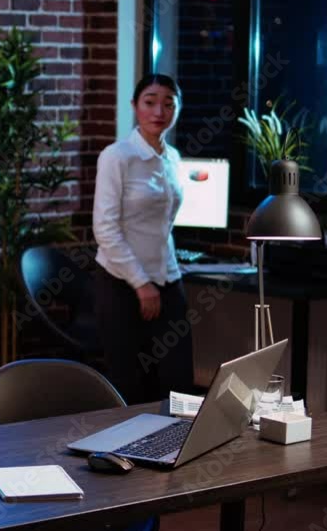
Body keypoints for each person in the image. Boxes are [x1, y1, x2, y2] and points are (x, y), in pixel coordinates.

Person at [92, 74, 195, 406]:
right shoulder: (117, 156)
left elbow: (164, 224)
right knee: (129, 383)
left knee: (179, 380)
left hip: (167, 276)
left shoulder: (174, 158)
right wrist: (140, 282)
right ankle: (124, 455)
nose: (159, 111)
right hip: (121, 282)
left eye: (169, 103)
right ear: (135, 106)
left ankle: (177, 452)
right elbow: (105, 228)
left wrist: (161, 274)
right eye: (150, 102)